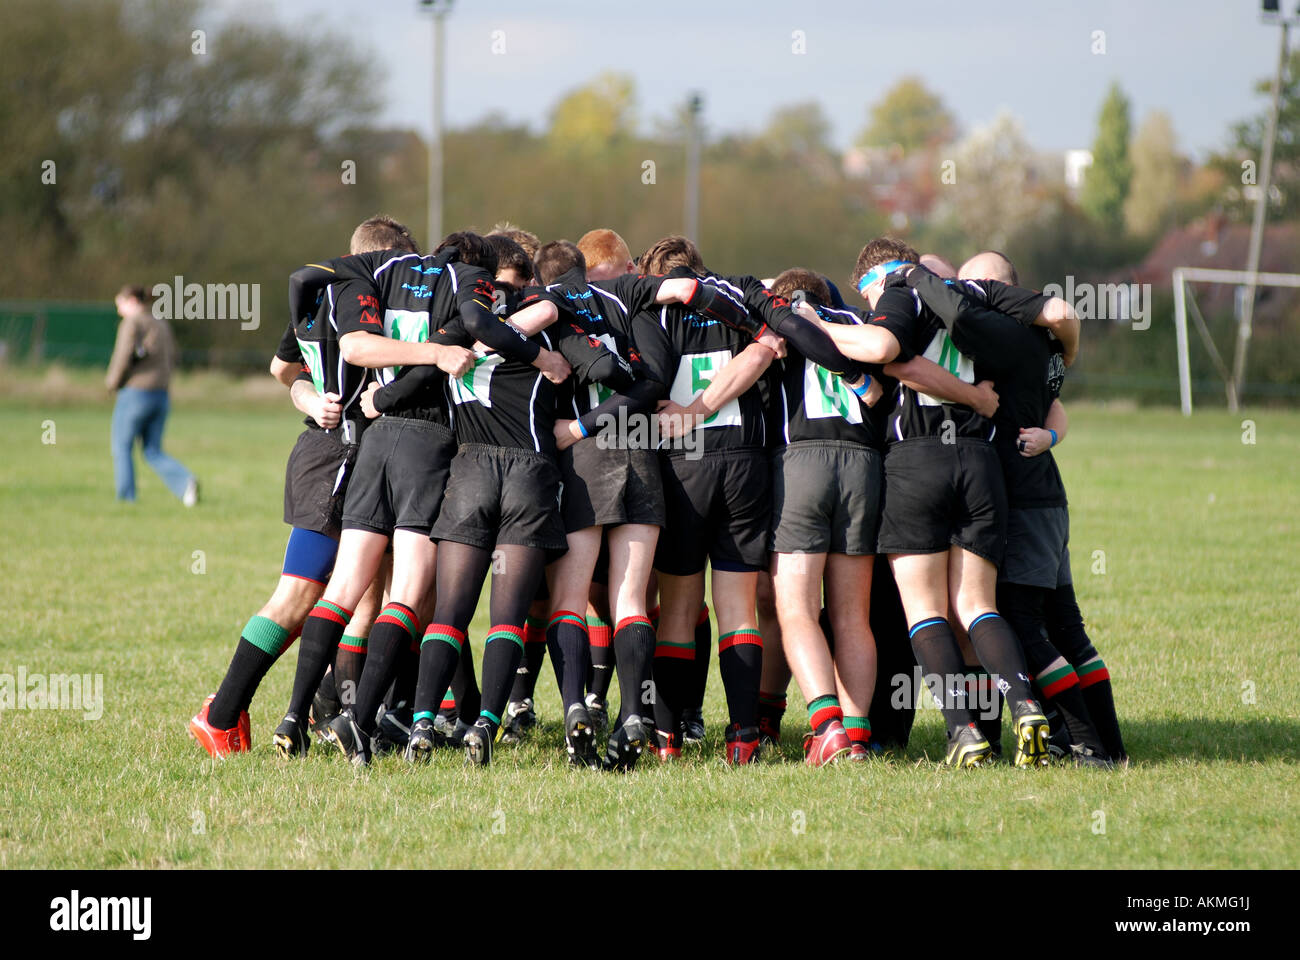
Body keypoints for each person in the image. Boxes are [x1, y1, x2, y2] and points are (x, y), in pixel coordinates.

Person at [820, 237, 1051, 768]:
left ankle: (963, 732)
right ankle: (1025, 707)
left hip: (919, 460)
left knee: (925, 610)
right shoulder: (967, 302)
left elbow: (887, 356)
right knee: (976, 606)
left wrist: (823, 326)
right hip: (980, 461)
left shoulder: (900, 298)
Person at [186, 216, 407, 757]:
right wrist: (315, 403)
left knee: (366, 594)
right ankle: (221, 713)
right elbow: (289, 371)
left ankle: (337, 715)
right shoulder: (357, 306)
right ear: (383, 261)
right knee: (300, 594)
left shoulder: (321, 295)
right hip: (335, 458)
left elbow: (283, 368)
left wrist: (308, 396)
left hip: (347, 456)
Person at [106, 285, 197, 505]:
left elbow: (123, 355)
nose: (119, 311)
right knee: (152, 450)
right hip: (161, 394)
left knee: (121, 446)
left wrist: (113, 383)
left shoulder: (133, 322)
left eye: (121, 305)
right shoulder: (161, 323)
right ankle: (186, 483)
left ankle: (127, 499)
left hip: (135, 394)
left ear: (133, 302)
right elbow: (174, 356)